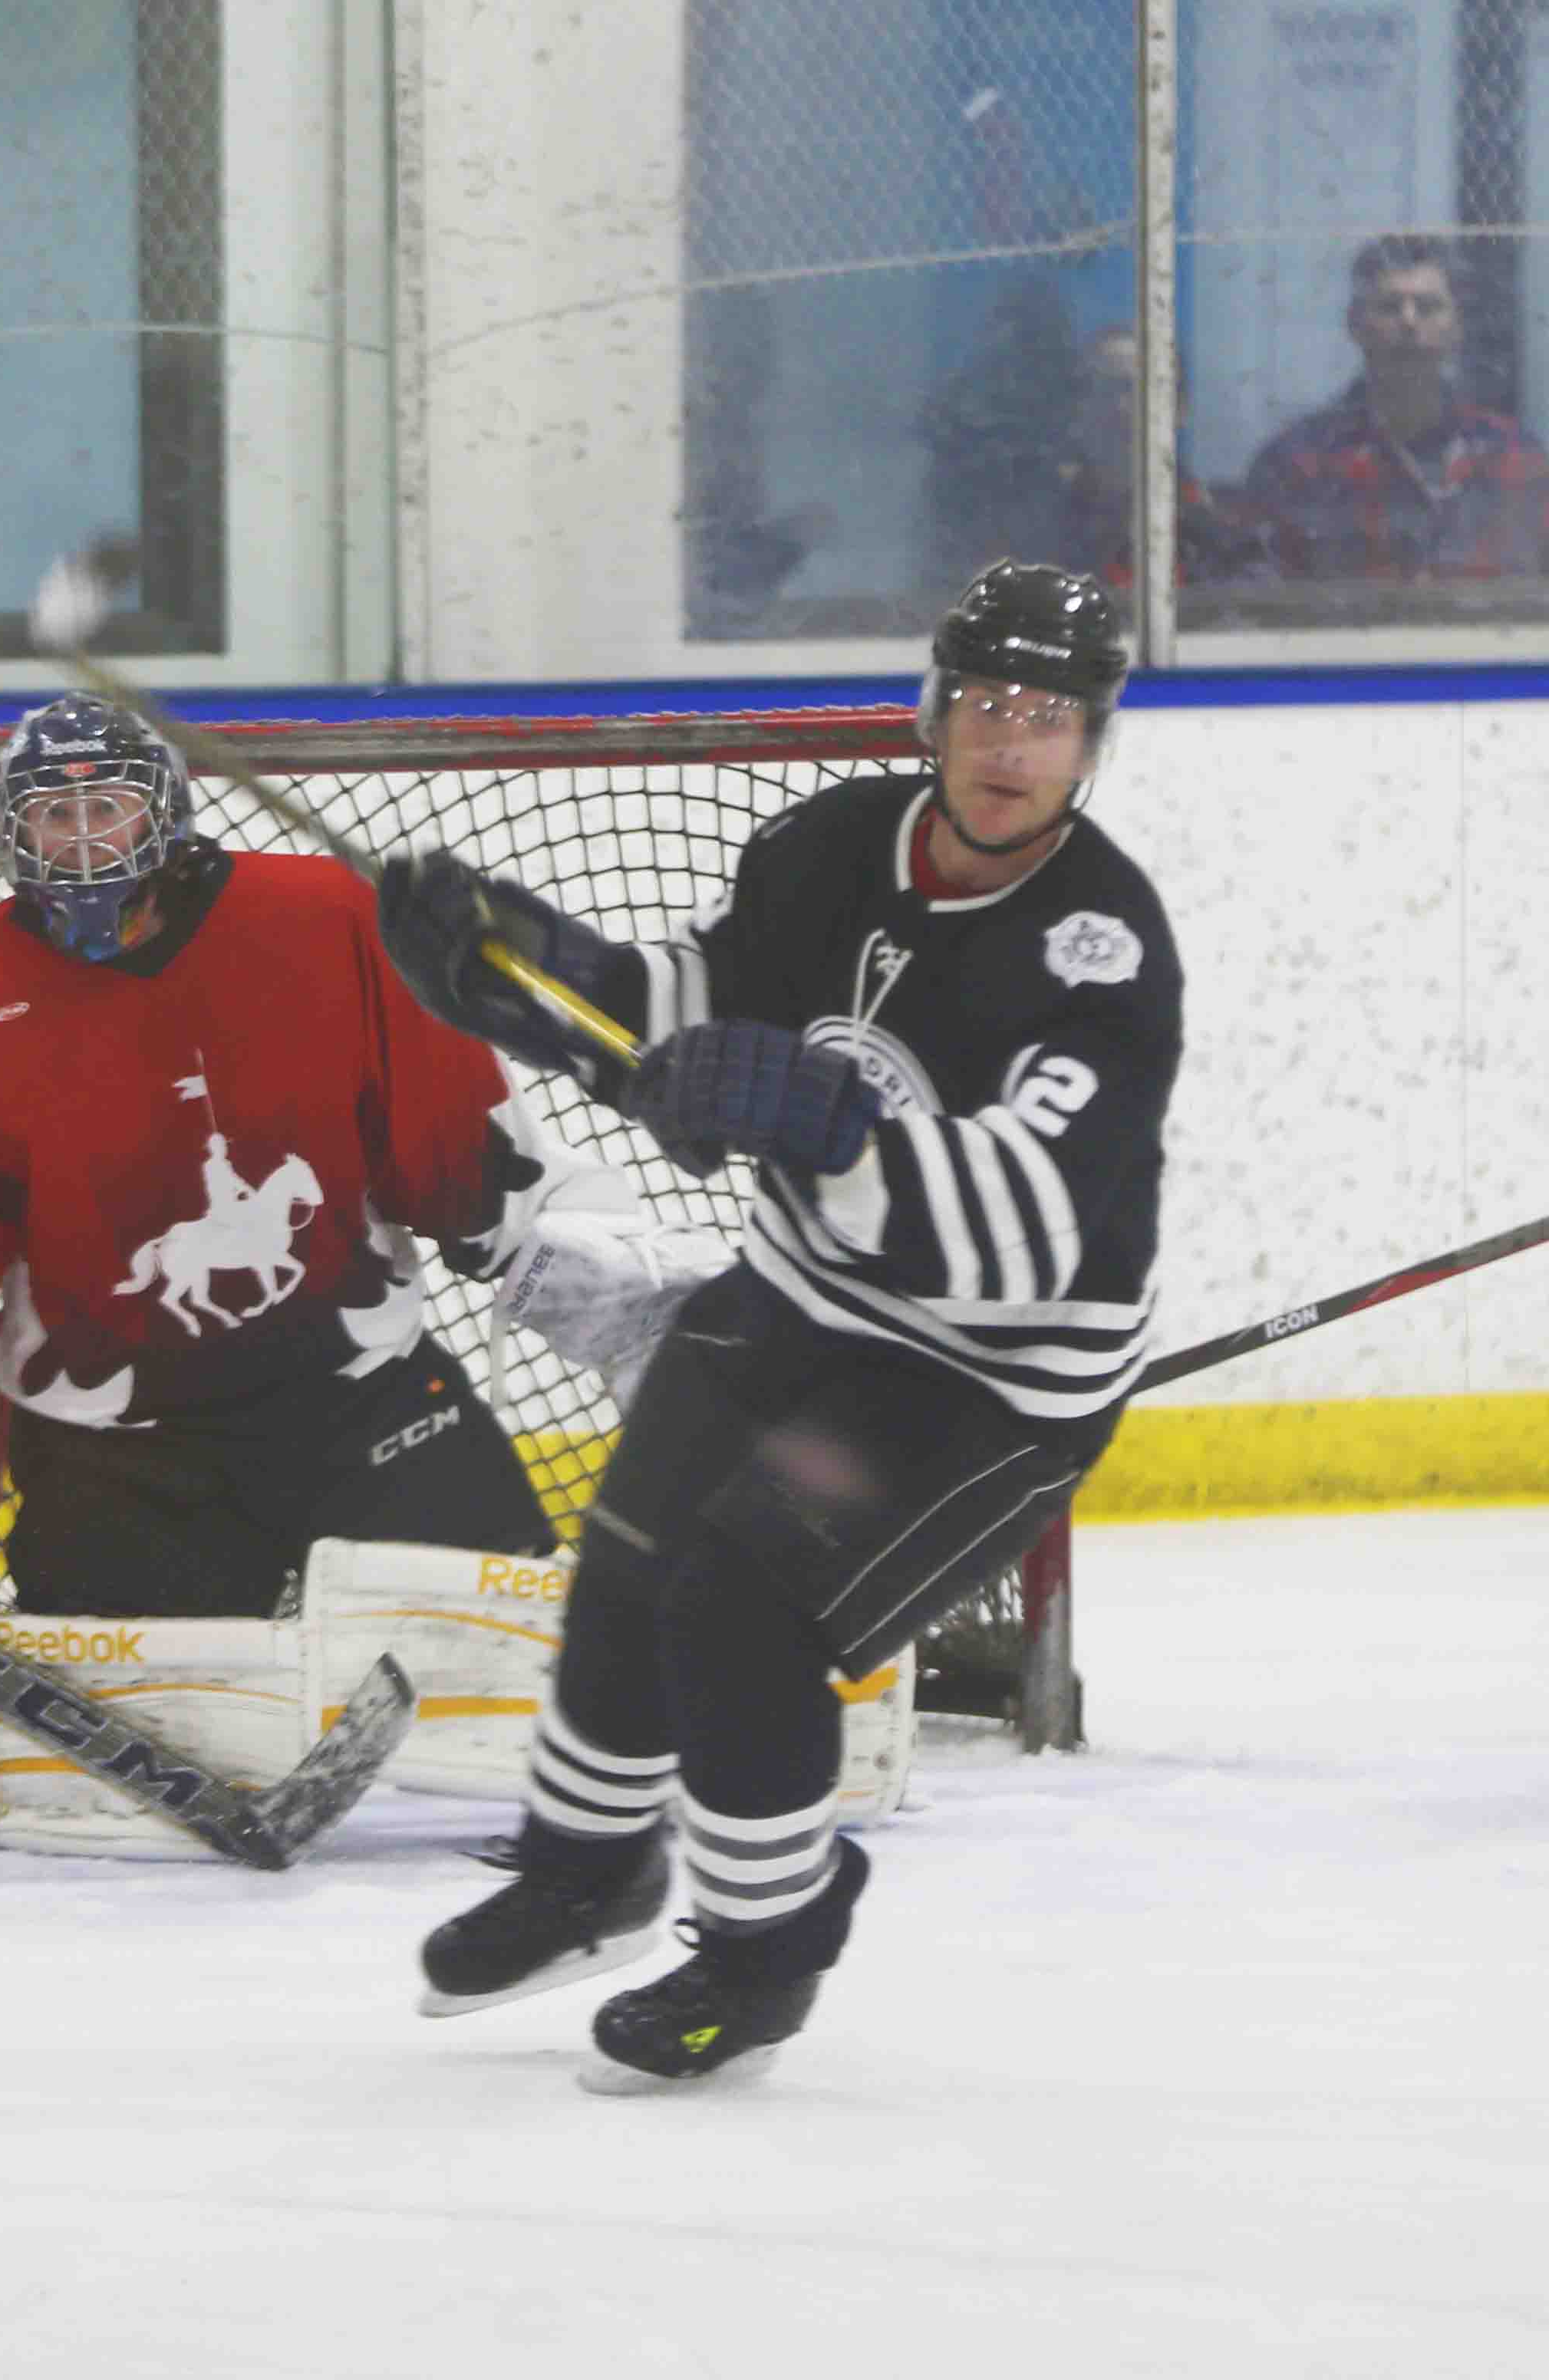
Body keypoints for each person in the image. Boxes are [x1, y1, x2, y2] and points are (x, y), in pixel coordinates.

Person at [377, 561, 1180, 2091]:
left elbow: (1024, 1225)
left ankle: (766, 1948)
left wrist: (823, 1132)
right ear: (941, 712)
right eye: (994, 708)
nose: (1015, 748)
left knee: (740, 1605)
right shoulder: (827, 848)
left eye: (1055, 720)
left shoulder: (1103, 949)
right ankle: (587, 1867)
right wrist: (536, 976)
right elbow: (691, 1017)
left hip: (989, 1374)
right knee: (631, 1545)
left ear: (1094, 746)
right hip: (806, 1296)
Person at [0, 692, 568, 1621]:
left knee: (516, 1669)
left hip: (366, 1405)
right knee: (119, 1748)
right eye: (56, 815)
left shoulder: (335, 922)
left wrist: (628, 1307)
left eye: (107, 808)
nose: (84, 843)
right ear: (10, 831)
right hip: (114, 1453)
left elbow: (475, 1175)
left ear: (163, 810)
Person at [1235, 232, 1549, 581]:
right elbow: (1258, 608)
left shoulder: (1516, 457)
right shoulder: (1295, 463)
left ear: (1458, 328)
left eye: (1428, 307)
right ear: (1355, 325)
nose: (1409, 321)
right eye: (1390, 306)